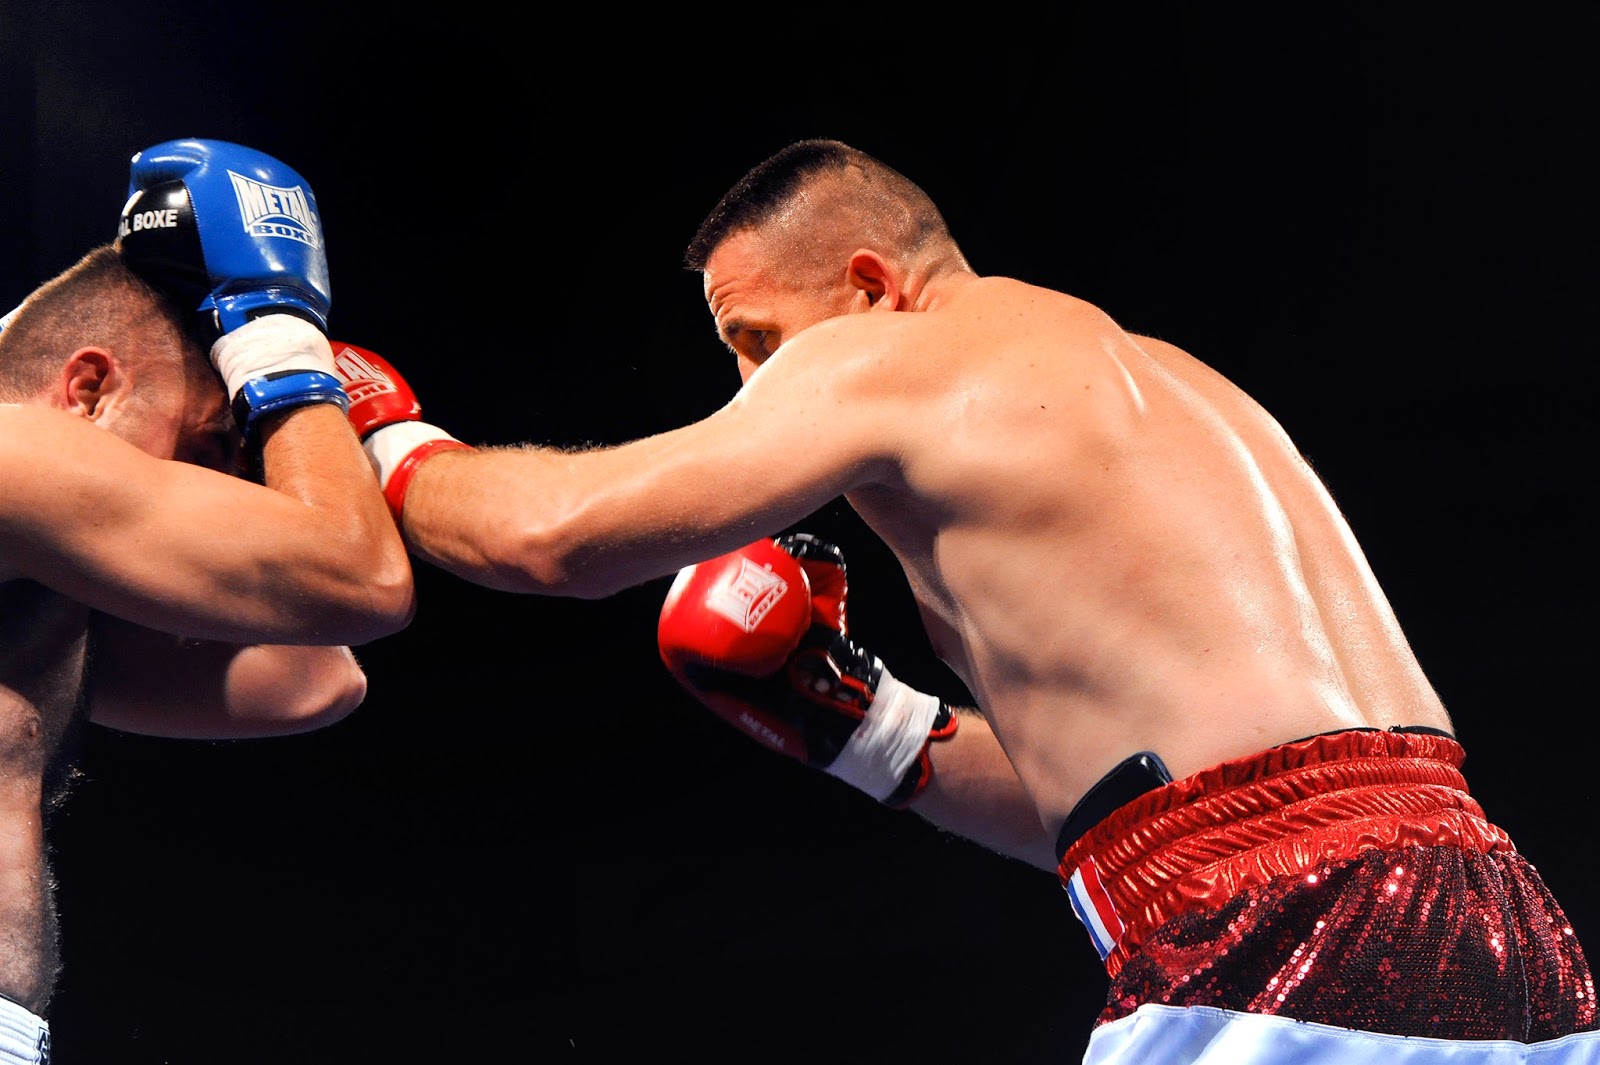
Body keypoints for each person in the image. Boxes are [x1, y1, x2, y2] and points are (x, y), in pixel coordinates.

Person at [328, 139, 1599, 1062]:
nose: (746, 388)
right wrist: (856, 720)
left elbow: (554, 540)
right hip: (1506, 934)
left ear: (873, 290)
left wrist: (363, 425)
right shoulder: (1179, 390)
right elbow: (1155, 810)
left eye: (758, 341)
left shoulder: (903, 361)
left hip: (1284, 937)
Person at [0, 138, 413, 1062]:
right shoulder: (8, 451)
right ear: (90, 389)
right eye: (212, 445)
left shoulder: (46, 599)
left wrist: (306, 440)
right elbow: (360, 581)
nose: (226, 487)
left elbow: (316, 675)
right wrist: (278, 343)